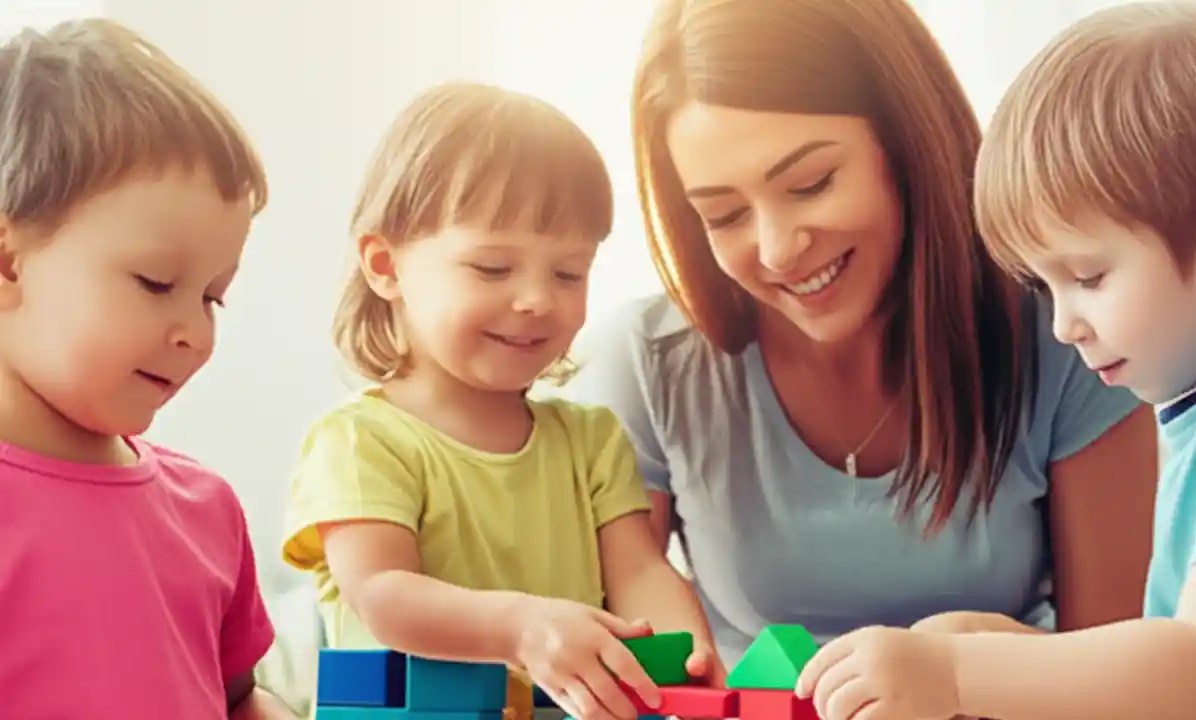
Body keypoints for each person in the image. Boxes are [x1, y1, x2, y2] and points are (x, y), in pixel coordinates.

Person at [559, 0, 1159, 670]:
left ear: (907, 142)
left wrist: (974, 672)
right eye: (724, 215)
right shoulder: (644, 361)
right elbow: (614, 643)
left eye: (810, 184)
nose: (778, 250)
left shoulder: (1068, 335)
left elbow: (1122, 674)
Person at [795, 1, 1196, 718]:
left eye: (1088, 276)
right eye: (1044, 287)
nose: (1063, 326)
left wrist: (960, 670)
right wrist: (1002, 650)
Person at [281, 83, 719, 720]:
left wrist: (688, 660)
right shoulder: (359, 441)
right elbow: (382, 594)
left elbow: (639, 573)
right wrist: (521, 628)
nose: (537, 299)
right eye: (492, 268)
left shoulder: (590, 440)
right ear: (385, 266)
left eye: (568, 273)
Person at [0, 18, 293, 719]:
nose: (195, 332)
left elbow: (240, 702)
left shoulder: (208, 512)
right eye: (157, 283)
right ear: (8, 262)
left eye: (213, 297)